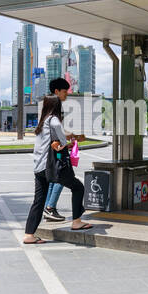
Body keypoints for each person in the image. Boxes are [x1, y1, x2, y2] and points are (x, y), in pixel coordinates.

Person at [23, 94, 90, 243]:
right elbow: (61, 144)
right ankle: (77, 221)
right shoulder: (54, 121)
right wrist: (71, 143)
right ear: (57, 106)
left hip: (39, 167)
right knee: (78, 187)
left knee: (39, 200)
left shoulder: (42, 122)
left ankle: (29, 235)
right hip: (52, 168)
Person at [41, 77, 77, 221]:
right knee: (61, 178)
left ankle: (48, 208)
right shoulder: (55, 108)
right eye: (64, 92)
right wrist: (66, 140)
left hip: (52, 149)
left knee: (53, 179)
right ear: (56, 91)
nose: (66, 95)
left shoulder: (48, 106)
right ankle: (50, 207)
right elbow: (56, 129)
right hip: (56, 149)